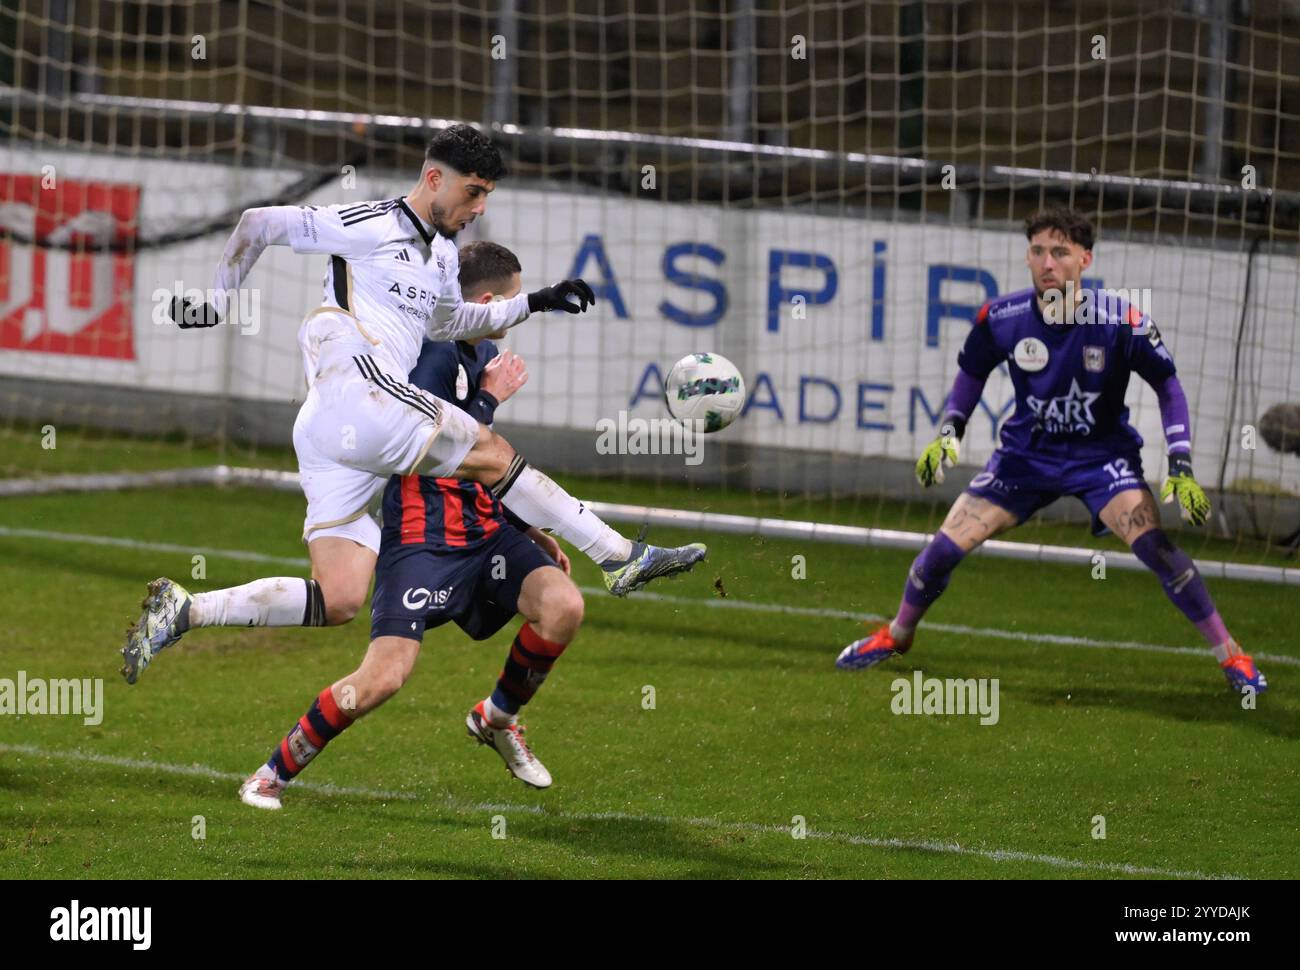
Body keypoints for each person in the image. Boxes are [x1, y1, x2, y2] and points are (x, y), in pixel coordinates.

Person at [121, 124, 705, 684]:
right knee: (493, 453)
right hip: (359, 388)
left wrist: (535, 302)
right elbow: (258, 223)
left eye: (486, 195)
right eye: (472, 191)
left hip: (335, 427)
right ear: (433, 178)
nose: (478, 207)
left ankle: (187, 610)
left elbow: (453, 320)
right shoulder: (371, 222)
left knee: (342, 596)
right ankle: (620, 555)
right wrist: (216, 303)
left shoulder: (446, 258)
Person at [835, 206, 1266, 694]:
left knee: (1158, 551)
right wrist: (949, 431)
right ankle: (897, 635)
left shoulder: (1122, 321)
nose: (1047, 262)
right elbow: (972, 371)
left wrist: (1181, 464)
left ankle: (1233, 656)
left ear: (1085, 258)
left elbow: (1167, 385)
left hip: (1101, 460)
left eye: (1060, 252)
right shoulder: (1001, 317)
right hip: (1025, 458)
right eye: (1038, 250)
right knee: (940, 552)